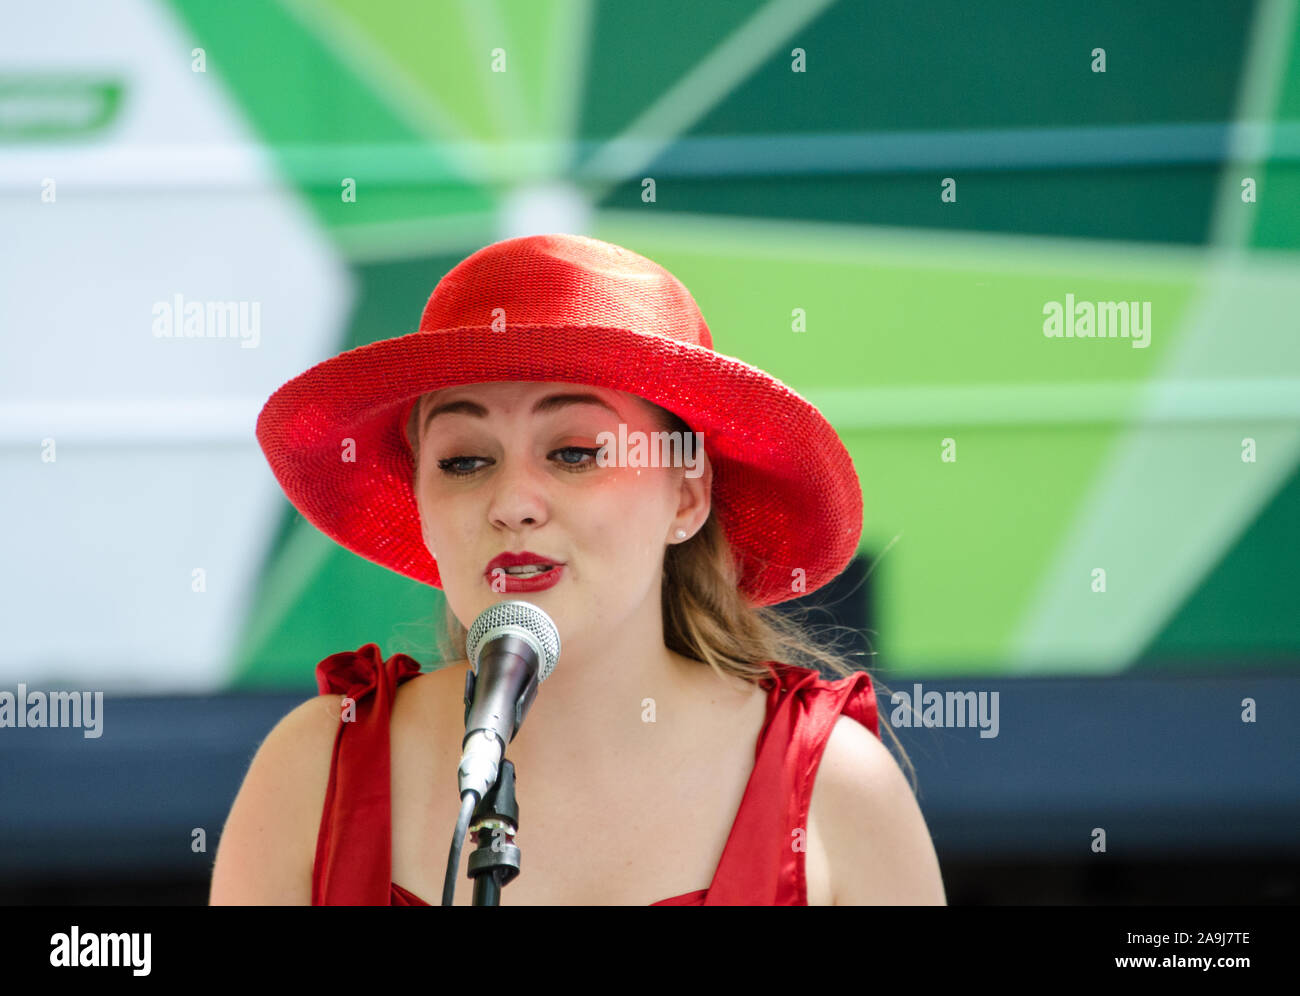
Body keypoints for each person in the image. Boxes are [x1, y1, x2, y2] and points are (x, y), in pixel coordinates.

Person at [210, 233, 946, 906]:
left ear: (687, 493)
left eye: (574, 453)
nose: (513, 503)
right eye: (465, 460)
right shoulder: (315, 771)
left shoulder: (833, 789)